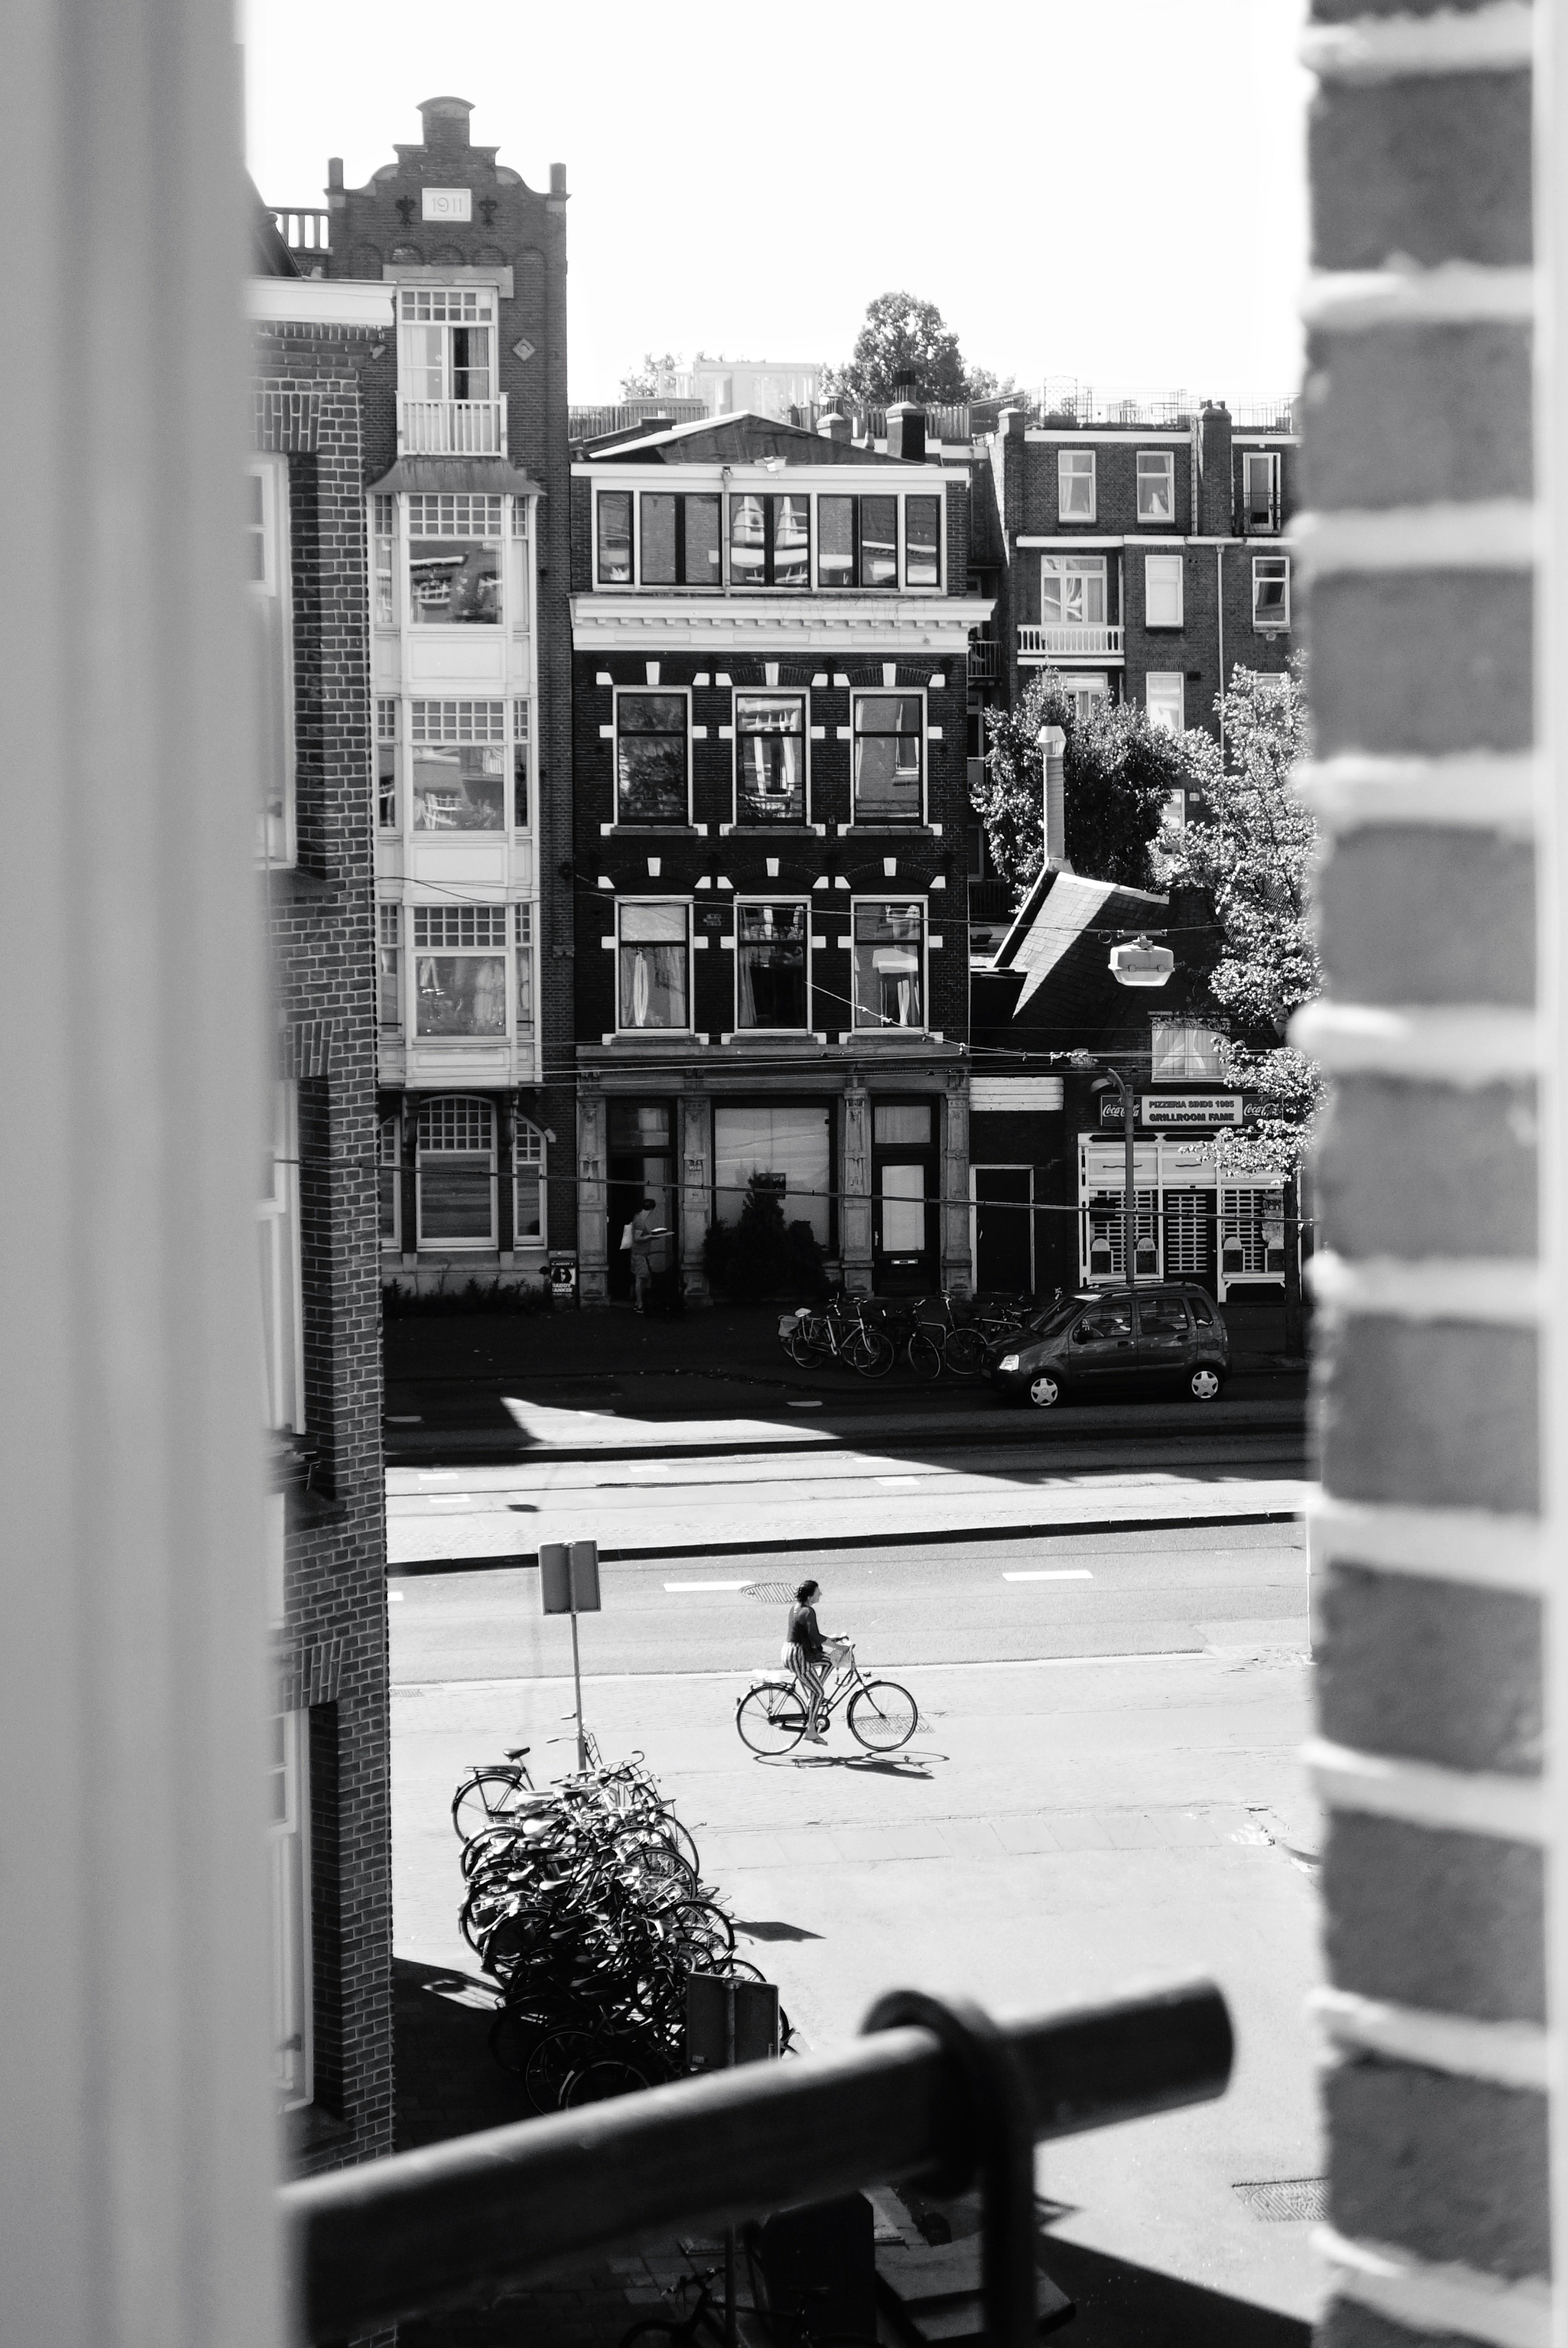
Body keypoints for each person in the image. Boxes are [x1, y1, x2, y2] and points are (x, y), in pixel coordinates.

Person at [785, 1578, 846, 1743]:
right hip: (799, 1656)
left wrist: (833, 1639)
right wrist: (841, 1648)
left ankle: (814, 1697)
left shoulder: (797, 1608)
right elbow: (817, 1639)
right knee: (819, 1692)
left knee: (827, 1661)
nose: (821, 1594)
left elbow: (810, 1635)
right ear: (811, 1597)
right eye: (818, 1591)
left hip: (791, 1651)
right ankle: (811, 1730)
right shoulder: (809, 1612)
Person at [629, 1197, 659, 1314]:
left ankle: (639, 1302)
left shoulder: (638, 1218)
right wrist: (650, 1237)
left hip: (639, 1253)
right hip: (640, 1253)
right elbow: (637, 1238)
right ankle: (640, 1304)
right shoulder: (641, 1221)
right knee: (642, 1278)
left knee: (642, 1278)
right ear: (651, 1209)